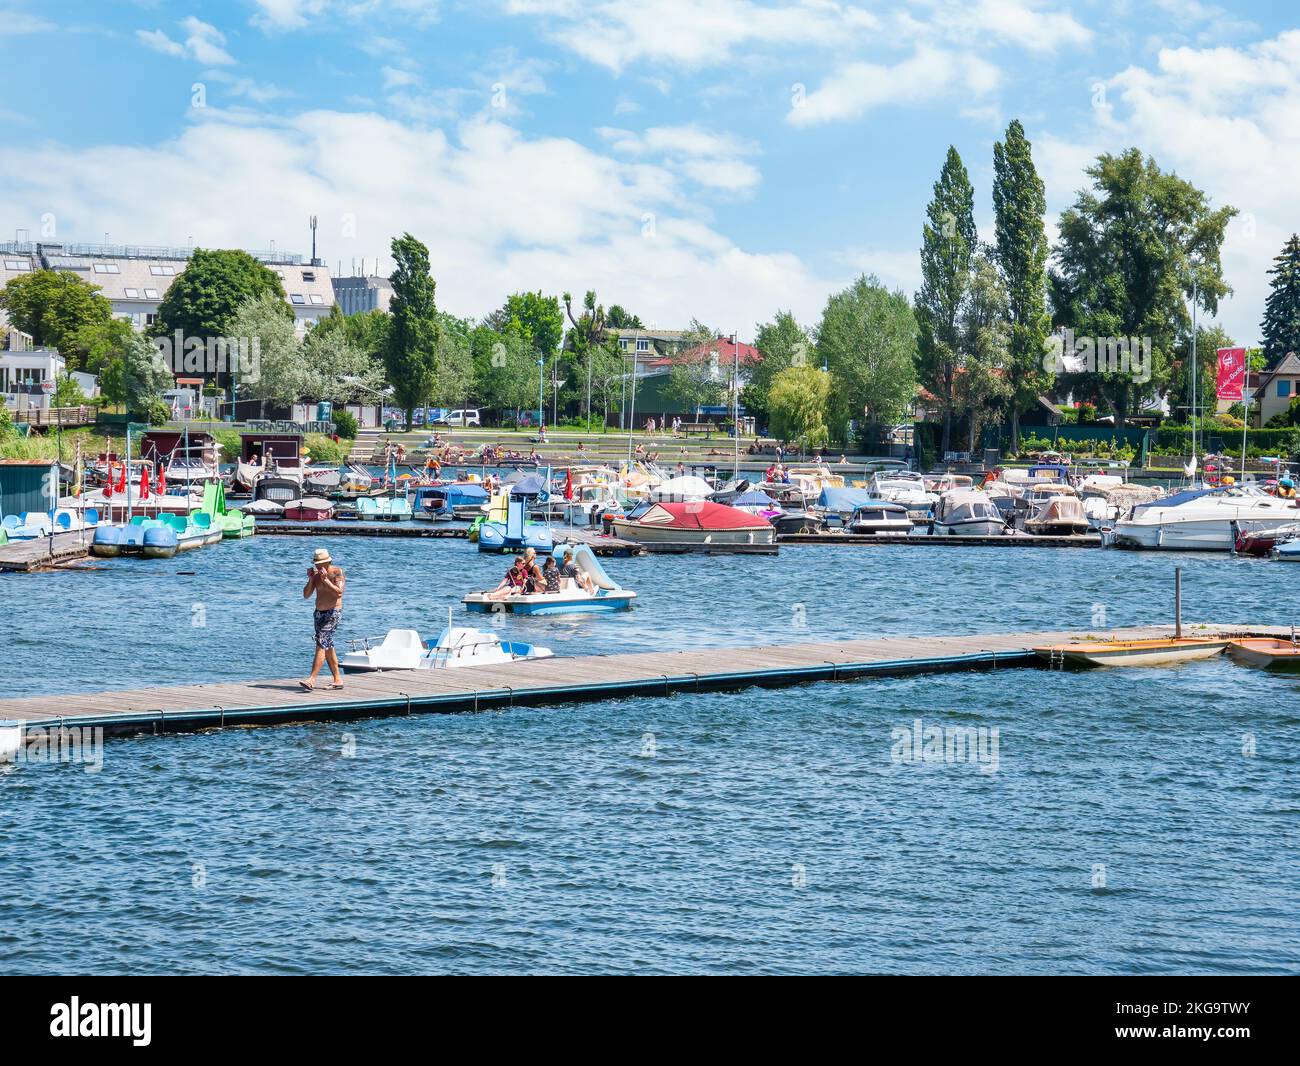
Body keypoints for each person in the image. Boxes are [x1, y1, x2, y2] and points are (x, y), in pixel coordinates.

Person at [300, 548, 346, 691]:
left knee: (321, 643)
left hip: (333, 613)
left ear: (328, 562)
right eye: (316, 564)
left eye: (321, 564)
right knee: (327, 645)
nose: (318, 567)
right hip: (319, 614)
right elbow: (306, 595)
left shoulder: (337, 572)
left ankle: (312, 679)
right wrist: (310, 579)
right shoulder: (315, 576)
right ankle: (338, 680)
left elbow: (339, 593)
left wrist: (326, 580)